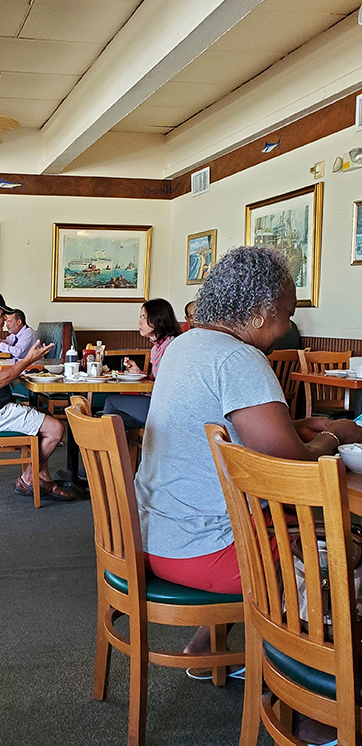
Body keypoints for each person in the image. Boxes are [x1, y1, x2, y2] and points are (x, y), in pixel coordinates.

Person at [135, 245, 362, 600]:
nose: (287, 327)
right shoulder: (240, 357)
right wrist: (335, 434)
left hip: (151, 535)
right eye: (287, 314)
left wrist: (295, 426)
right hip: (206, 550)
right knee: (349, 551)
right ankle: (291, 654)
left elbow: (217, 427)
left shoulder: (184, 344)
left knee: (282, 523)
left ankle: (205, 646)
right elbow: (287, 467)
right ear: (260, 314)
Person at [0, 289, 75, 501]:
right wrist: (28, 359)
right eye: (1, 314)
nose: (4, 320)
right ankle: (27, 479)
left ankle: (42, 478)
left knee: (40, 417)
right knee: (55, 429)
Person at [102, 298, 181, 429]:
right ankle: (119, 447)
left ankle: (107, 448)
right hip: (155, 402)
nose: (139, 321)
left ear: (158, 318)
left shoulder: (171, 346)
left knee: (111, 402)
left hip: (166, 408)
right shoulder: (157, 347)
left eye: (144, 317)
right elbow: (158, 380)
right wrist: (140, 374)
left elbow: (168, 386)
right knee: (116, 418)